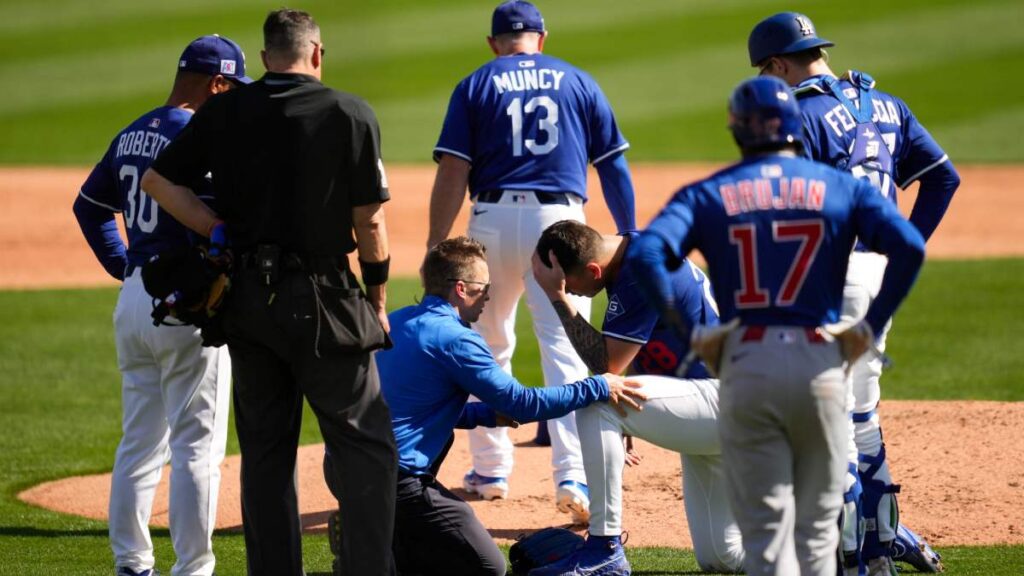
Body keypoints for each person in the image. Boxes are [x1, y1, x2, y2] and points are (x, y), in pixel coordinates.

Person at [627, 76, 926, 576]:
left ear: (737, 131)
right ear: (794, 127)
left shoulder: (709, 193)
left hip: (747, 365)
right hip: (819, 365)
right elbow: (910, 246)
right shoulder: (840, 187)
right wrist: (869, 327)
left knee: (766, 536)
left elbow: (647, 252)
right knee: (817, 532)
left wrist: (692, 332)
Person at [141, 9, 397, 576]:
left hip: (248, 302)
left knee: (265, 454)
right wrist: (376, 298)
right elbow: (370, 224)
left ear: (264, 58)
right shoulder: (349, 112)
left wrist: (215, 229)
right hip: (327, 298)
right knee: (364, 448)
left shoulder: (225, 108)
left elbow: (158, 181)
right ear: (317, 53)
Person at [748, 12, 958, 574]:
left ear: (776, 65)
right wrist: (902, 245)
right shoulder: (886, 104)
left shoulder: (799, 113)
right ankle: (880, 555)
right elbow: (944, 177)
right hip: (879, 277)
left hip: (830, 280)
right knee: (862, 418)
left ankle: (844, 562)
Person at [427, 0, 638, 524]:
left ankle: (491, 472)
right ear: (542, 38)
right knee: (566, 347)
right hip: (560, 225)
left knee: (487, 342)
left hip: (494, 219)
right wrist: (627, 233)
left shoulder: (477, 82)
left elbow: (454, 169)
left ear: (494, 42)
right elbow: (613, 164)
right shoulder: (577, 80)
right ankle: (574, 477)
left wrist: (436, 244)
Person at [71, 34, 248, 576]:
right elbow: (228, 217)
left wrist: (125, 268)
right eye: (231, 89)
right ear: (216, 83)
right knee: (197, 446)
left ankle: (131, 563)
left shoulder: (132, 131)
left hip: (135, 300)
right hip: (185, 306)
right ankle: (193, 568)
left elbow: (88, 206)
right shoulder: (202, 136)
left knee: (140, 442)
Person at [379, 237, 646, 576]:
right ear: (461, 289)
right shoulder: (456, 338)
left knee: (422, 548)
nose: (489, 295)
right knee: (489, 566)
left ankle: (376, 535)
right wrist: (598, 385)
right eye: (483, 287)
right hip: (398, 482)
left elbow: (416, 410)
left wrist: (485, 414)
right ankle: (372, 550)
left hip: (351, 467)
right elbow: (522, 403)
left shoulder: (397, 321)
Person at [528, 220, 744, 575]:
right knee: (720, 557)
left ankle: (604, 549)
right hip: (715, 399)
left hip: (727, 399)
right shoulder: (636, 250)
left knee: (596, 400)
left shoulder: (641, 270)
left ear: (593, 269)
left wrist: (557, 297)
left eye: (573, 284)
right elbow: (648, 339)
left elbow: (605, 364)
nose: (576, 294)